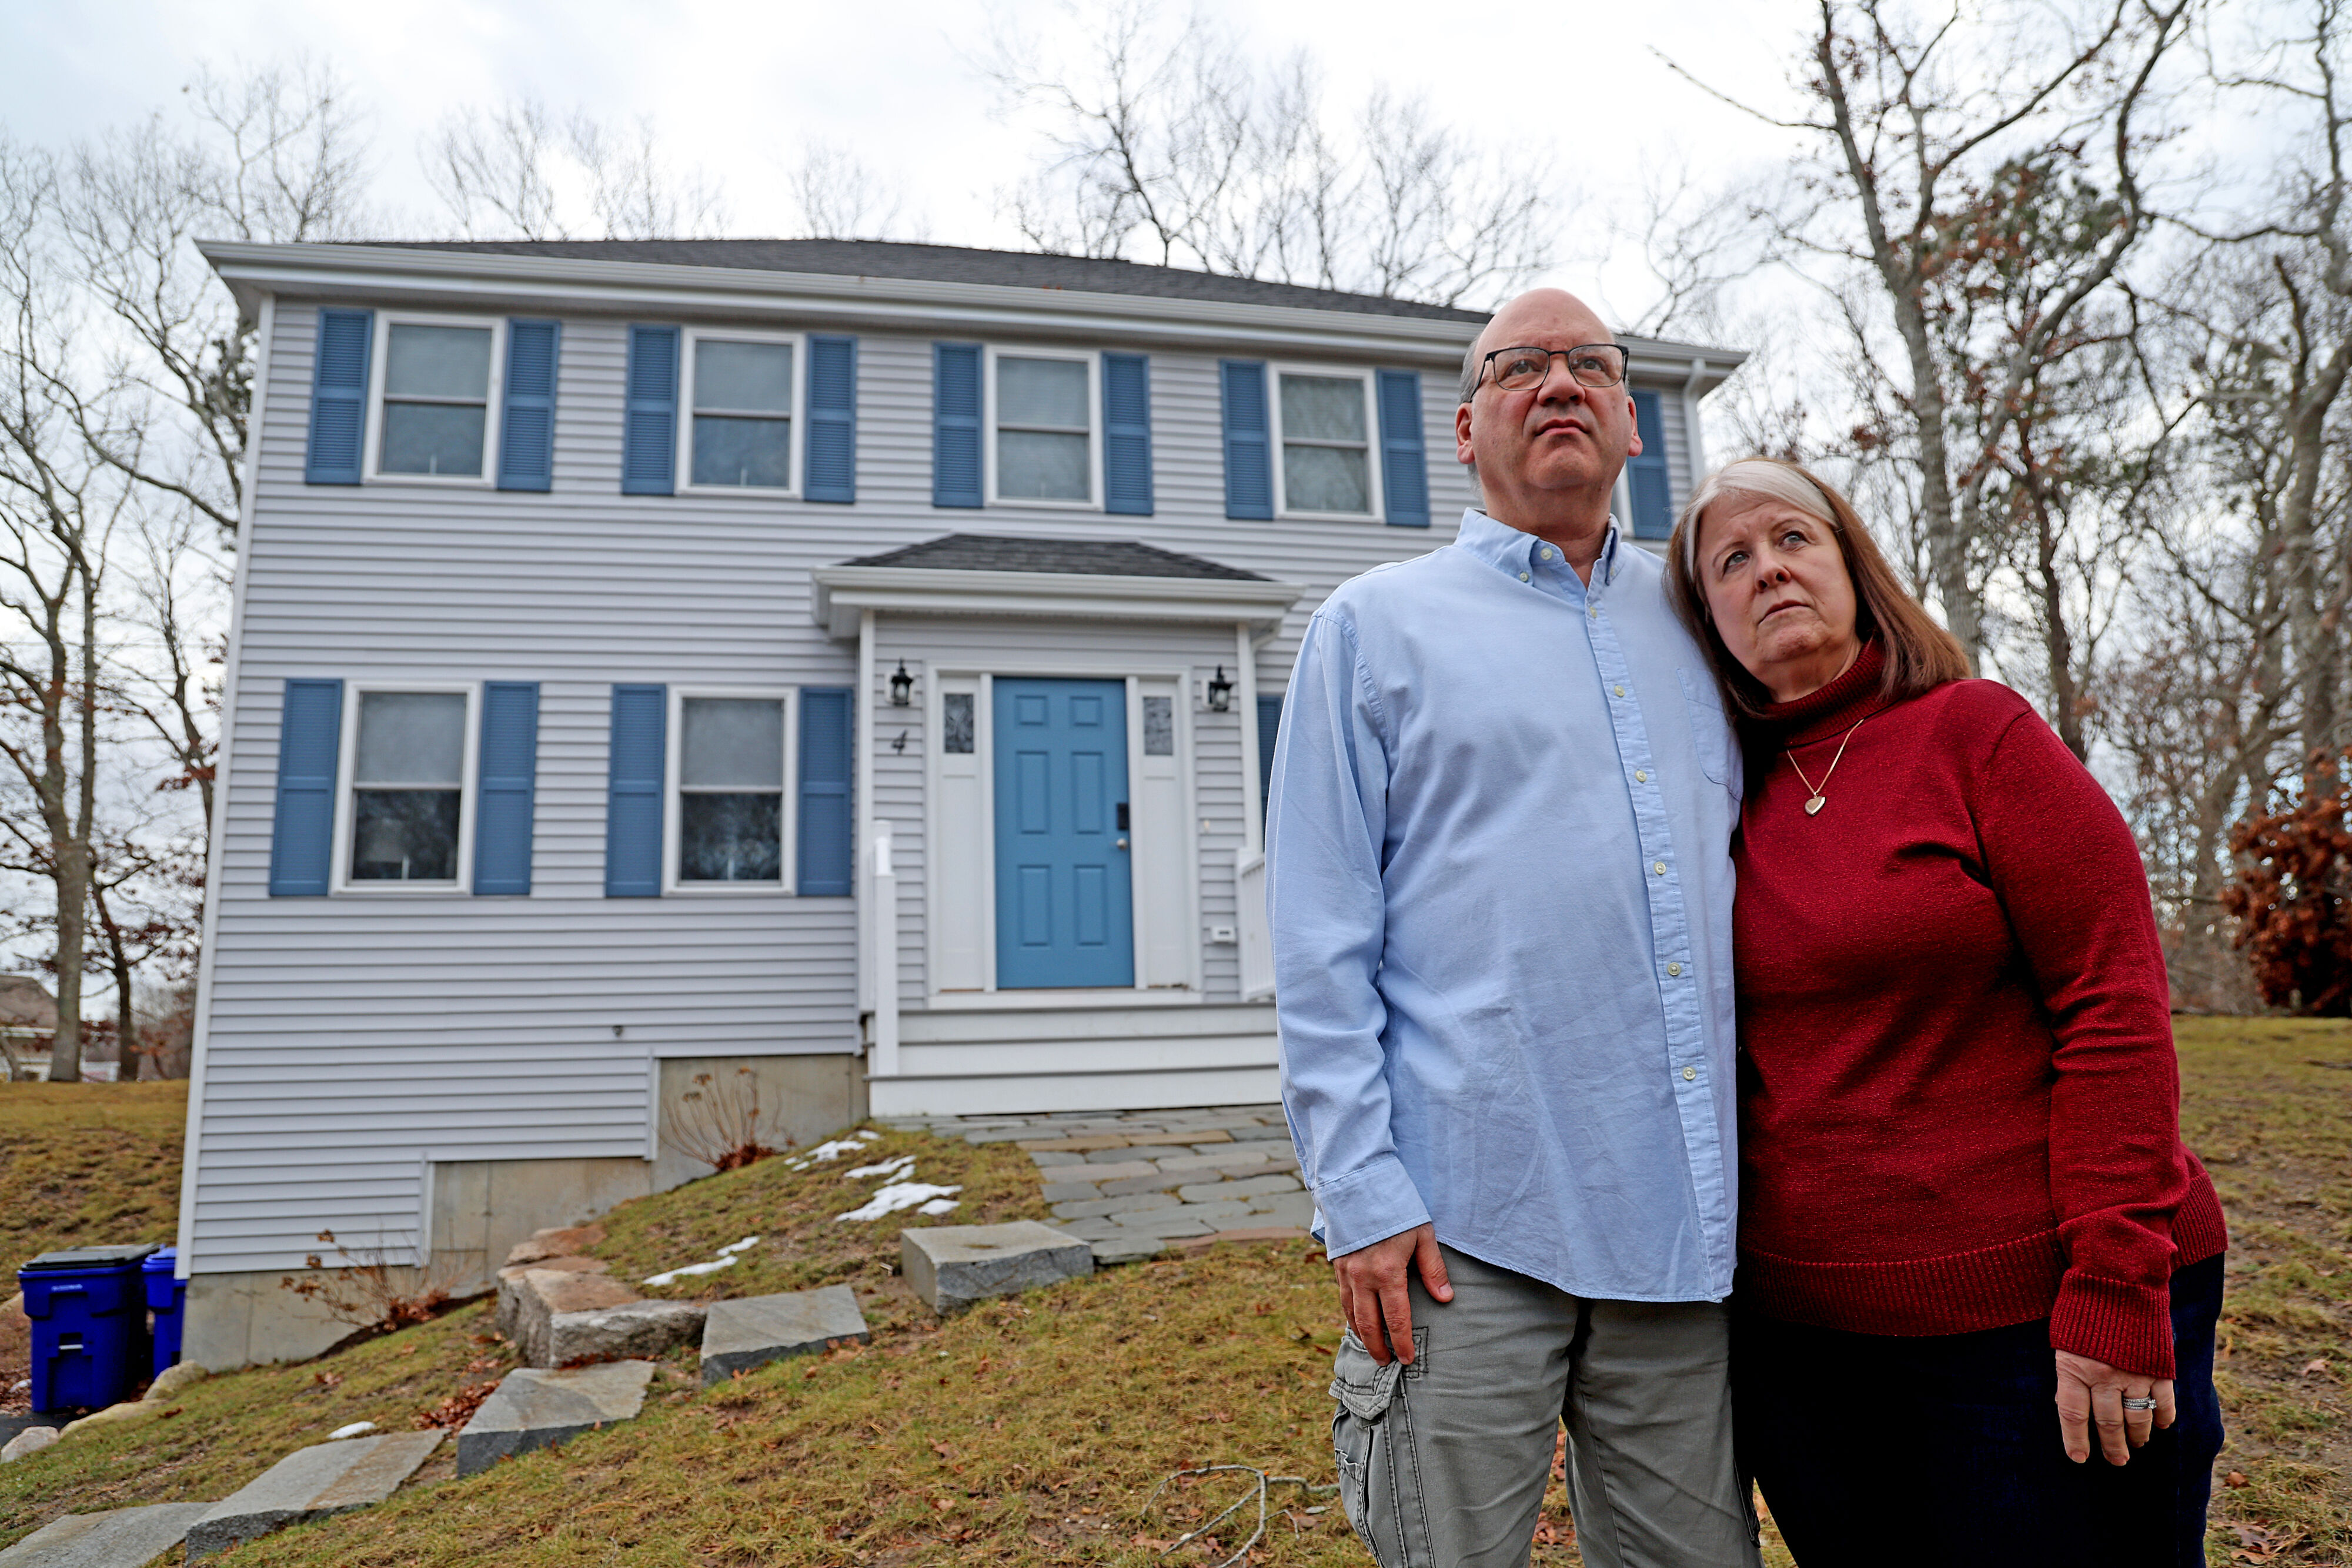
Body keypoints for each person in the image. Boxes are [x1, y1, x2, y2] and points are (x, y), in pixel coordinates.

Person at [1267, 288, 1760, 1568]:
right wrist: (1359, 1192)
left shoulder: (1704, 624)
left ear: (1633, 426)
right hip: (1459, 1223)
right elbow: (1318, 938)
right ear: (1463, 424)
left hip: (1678, 1225)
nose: (1558, 385)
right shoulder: (1371, 631)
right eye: (1518, 366)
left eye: (1590, 365)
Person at [1665, 456, 2228, 1567]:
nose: (1768, 569)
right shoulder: (1713, 797)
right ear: (1705, 618)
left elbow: (2113, 1004)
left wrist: (2116, 1284)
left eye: (1793, 540)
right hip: (1809, 1348)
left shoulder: (1978, 734)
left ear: (1854, 568)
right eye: (1731, 560)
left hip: (2037, 1318)